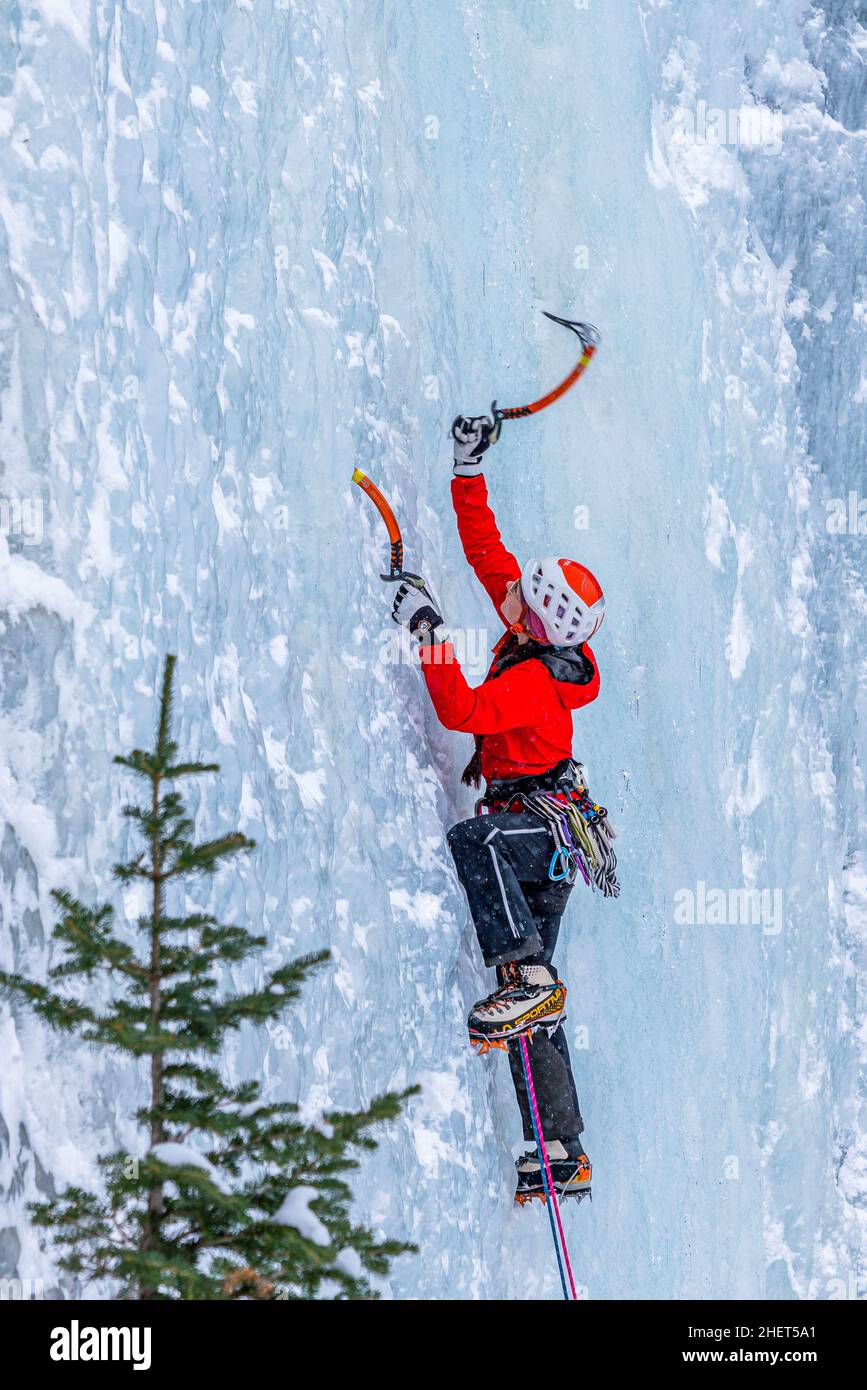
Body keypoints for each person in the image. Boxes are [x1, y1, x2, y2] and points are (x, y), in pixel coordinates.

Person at [389, 415, 605, 1202]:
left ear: (539, 616)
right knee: (526, 990)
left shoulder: (533, 679)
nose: (510, 595)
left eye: (524, 595)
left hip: (531, 832)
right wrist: (464, 465)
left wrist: (427, 631)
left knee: (472, 841)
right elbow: (486, 549)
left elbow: (464, 712)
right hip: (550, 837)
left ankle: (532, 982)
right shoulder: (541, 640)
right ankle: (559, 1151)